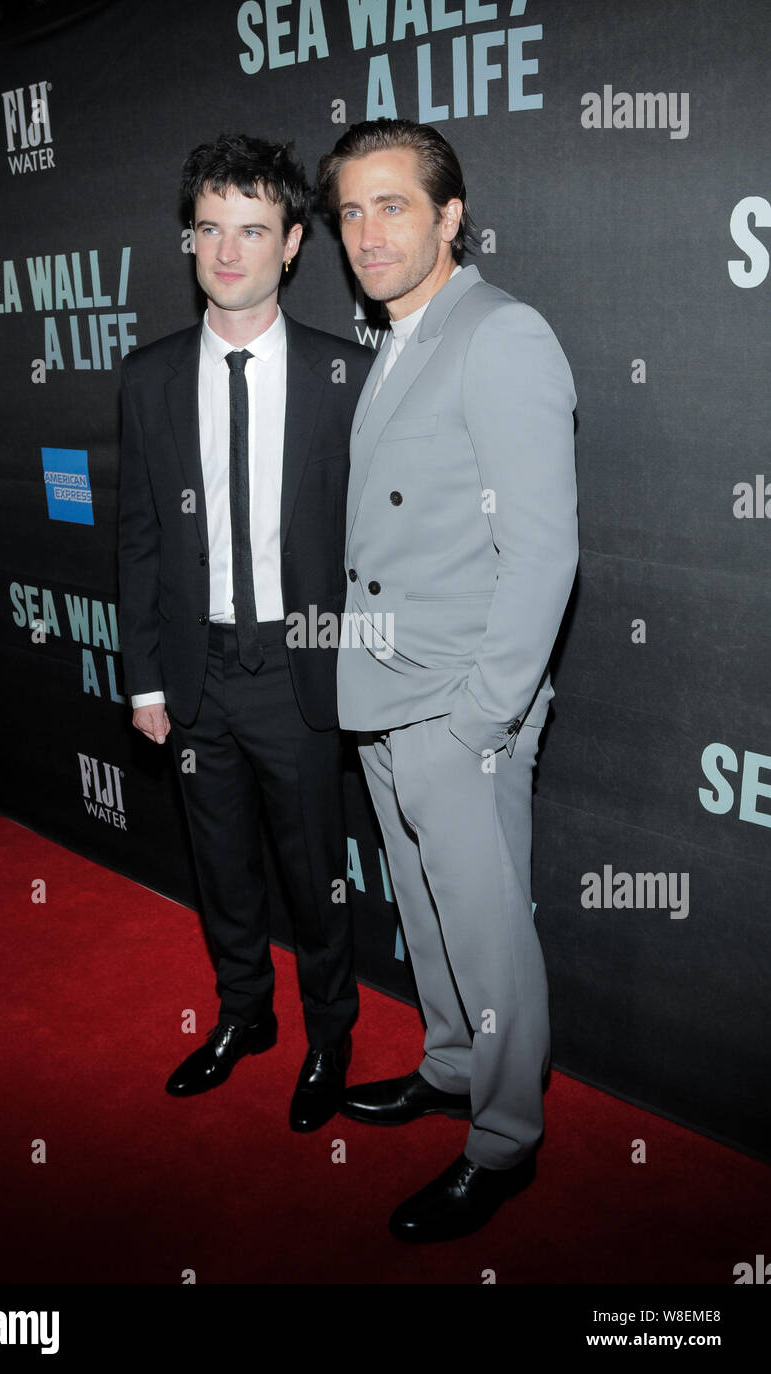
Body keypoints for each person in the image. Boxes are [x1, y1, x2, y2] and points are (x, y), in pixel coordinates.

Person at [317, 119, 578, 1239]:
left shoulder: (501, 333)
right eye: (349, 212)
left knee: (483, 926)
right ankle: (451, 1065)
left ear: (449, 218)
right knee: (426, 913)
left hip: (455, 705)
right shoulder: (396, 334)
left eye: (392, 207)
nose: (367, 234)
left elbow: (543, 551)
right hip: (382, 694)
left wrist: (481, 718)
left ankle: (504, 1136)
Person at [118, 133, 371, 1132]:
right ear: (190, 241)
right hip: (195, 670)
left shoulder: (345, 375)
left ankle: (330, 1032)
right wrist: (145, 681)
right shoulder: (147, 377)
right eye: (209, 230)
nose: (227, 253)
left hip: (299, 665)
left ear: (294, 243)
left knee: (316, 875)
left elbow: (380, 541)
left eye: (252, 231)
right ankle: (242, 1016)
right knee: (217, 861)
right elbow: (139, 535)